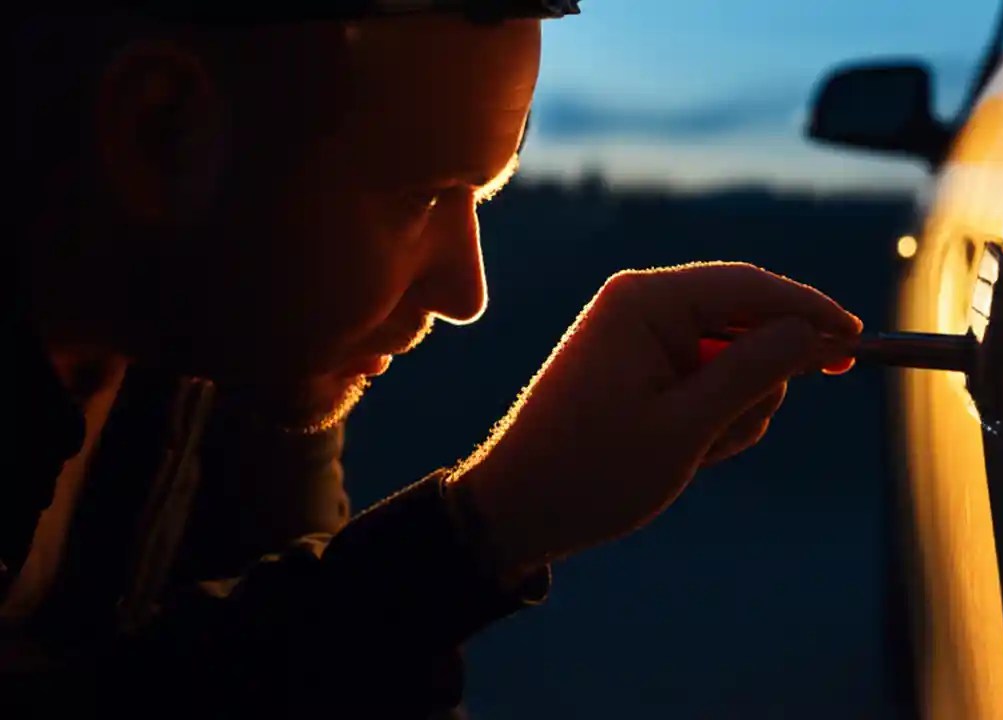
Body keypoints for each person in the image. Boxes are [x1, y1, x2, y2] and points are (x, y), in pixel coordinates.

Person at [2, 1, 863, 716]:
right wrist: (488, 525)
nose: (466, 290)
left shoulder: (240, 346)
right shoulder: (249, 322)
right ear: (161, 134)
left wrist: (504, 522)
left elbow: (281, 670)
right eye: (420, 198)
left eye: (483, 196)